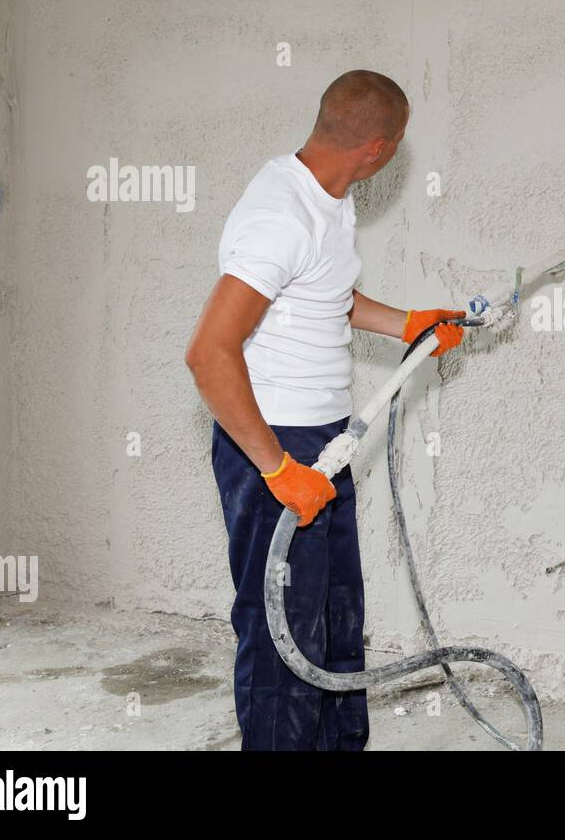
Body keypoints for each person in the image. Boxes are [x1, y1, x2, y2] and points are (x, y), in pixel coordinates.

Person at [184, 70, 463, 750]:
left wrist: (409, 325)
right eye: (397, 144)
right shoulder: (281, 215)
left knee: (335, 616)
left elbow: (325, 294)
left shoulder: (328, 200)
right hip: (274, 443)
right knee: (282, 626)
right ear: (379, 148)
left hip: (322, 440)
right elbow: (208, 352)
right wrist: (278, 468)